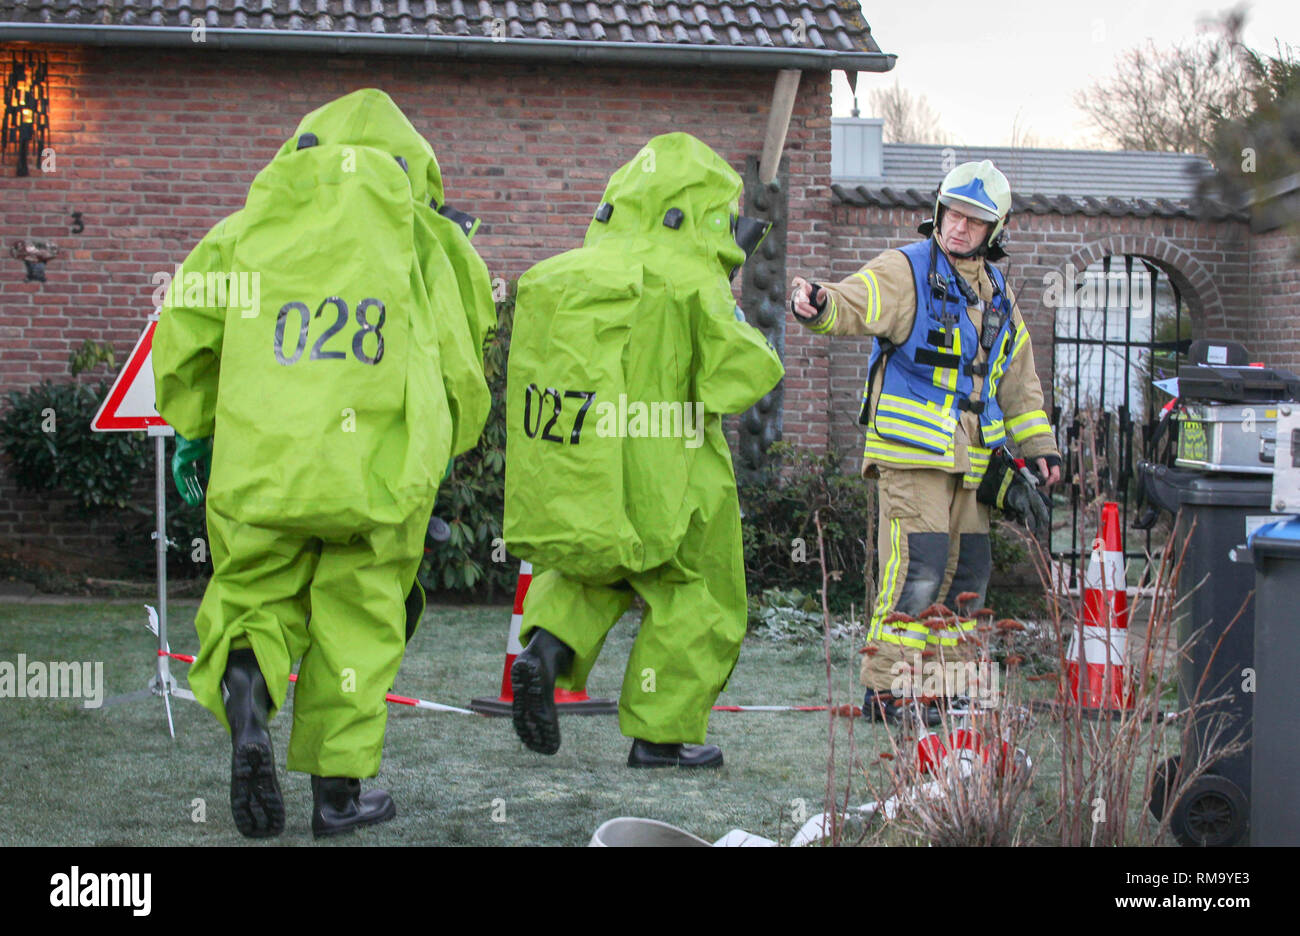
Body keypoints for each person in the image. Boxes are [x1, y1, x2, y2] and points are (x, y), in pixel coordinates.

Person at [153, 88, 493, 837]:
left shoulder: (241, 235)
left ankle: (248, 708)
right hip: (375, 482)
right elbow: (464, 373)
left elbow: (184, 342)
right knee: (360, 623)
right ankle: (339, 798)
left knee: (252, 600)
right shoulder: (432, 245)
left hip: (260, 470)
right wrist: (441, 452)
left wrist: (197, 433)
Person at [503, 132, 785, 768]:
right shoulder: (692, 280)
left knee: (589, 570)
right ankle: (659, 741)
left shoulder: (573, 272)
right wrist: (727, 287)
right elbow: (740, 378)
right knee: (696, 594)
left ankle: (543, 657)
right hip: (675, 469)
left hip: (592, 469)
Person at [788, 160, 1061, 722]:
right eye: (951, 213)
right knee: (918, 569)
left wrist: (1041, 449)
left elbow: (1018, 379)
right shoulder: (905, 269)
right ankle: (887, 690)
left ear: (996, 231)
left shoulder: (999, 294)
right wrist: (818, 302)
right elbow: (853, 302)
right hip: (913, 456)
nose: (958, 228)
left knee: (969, 575)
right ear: (937, 212)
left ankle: (944, 689)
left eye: (974, 220)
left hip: (973, 462)